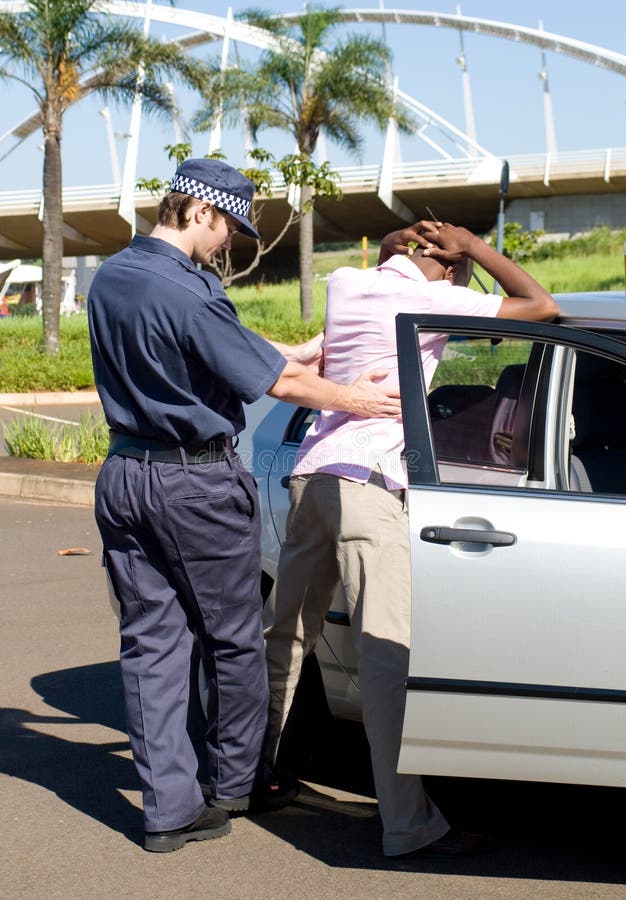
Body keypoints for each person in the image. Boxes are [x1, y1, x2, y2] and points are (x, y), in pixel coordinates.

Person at [87, 158, 402, 854]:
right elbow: (281, 384)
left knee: (151, 646)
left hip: (124, 474)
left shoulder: (114, 277)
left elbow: (208, 348)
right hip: (193, 485)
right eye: (228, 225)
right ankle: (238, 783)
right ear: (199, 211)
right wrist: (360, 399)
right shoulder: (191, 291)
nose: (228, 242)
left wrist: (294, 351)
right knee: (233, 640)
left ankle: (168, 810)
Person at [263, 219, 559, 861]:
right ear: (450, 269)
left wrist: (413, 242)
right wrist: (476, 249)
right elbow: (543, 308)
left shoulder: (346, 284)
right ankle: (406, 824)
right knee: (385, 660)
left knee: (285, 638)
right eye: (462, 268)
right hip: (369, 486)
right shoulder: (438, 298)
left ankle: (250, 775)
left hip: (310, 476)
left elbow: (307, 358)